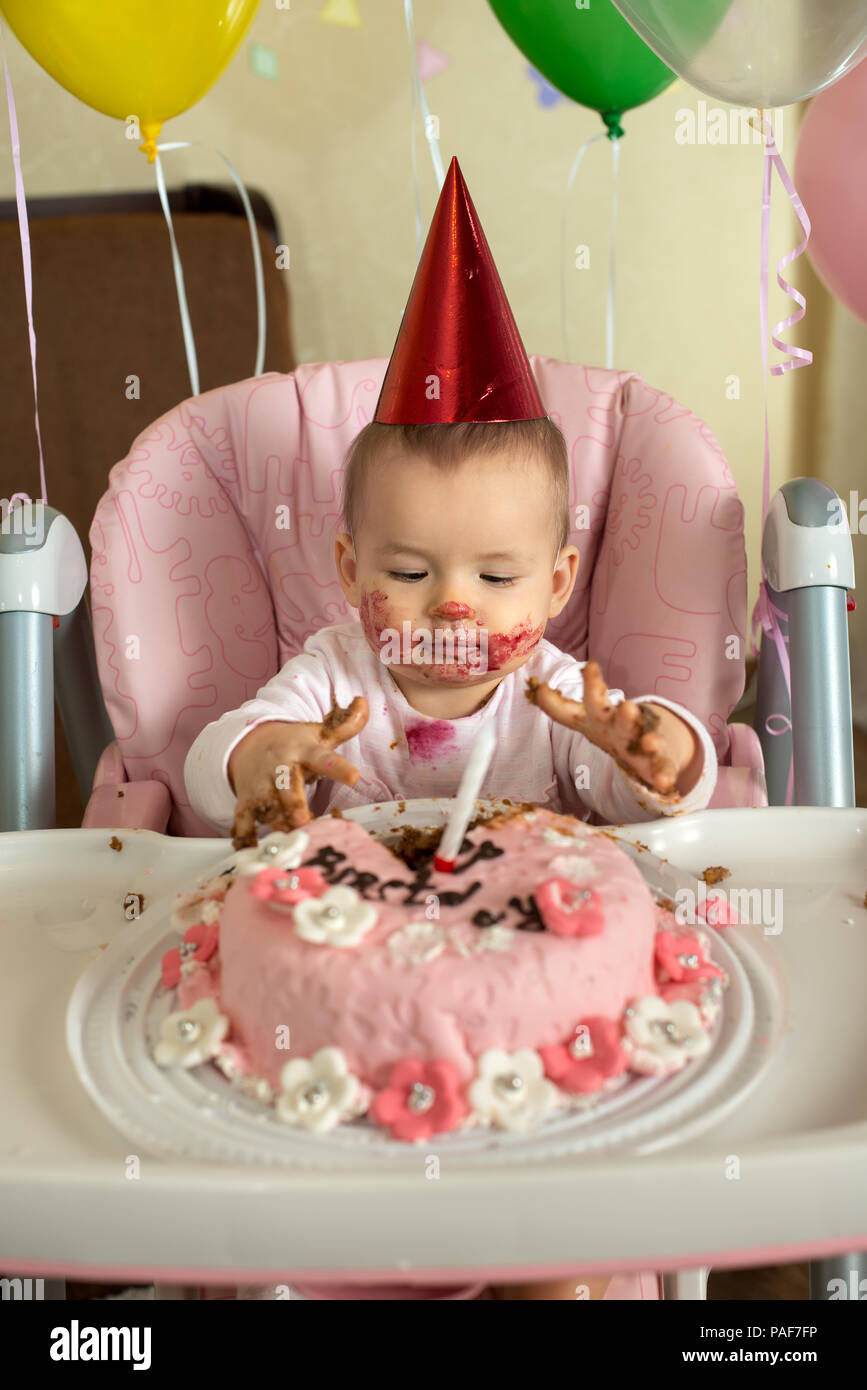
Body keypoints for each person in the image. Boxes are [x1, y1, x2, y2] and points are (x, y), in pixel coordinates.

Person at [185, 157, 717, 1301]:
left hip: (542, 1082)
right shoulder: (338, 678)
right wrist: (264, 761)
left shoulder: (561, 696)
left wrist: (656, 752)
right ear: (347, 568)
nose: (454, 605)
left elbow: (640, 792)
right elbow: (218, 751)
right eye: (411, 570)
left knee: (570, 1272)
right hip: (347, 1091)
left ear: (561, 581)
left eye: (498, 573)